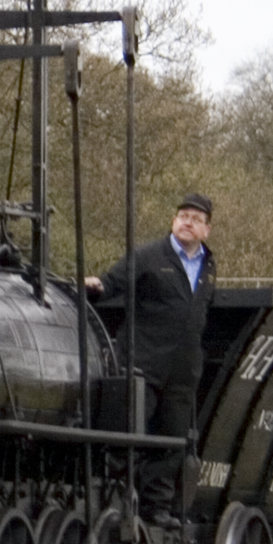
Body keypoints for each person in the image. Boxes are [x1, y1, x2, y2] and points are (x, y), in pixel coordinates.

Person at [87, 192, 216, 500]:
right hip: (142, 363)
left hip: (182, 372)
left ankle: (156, 506)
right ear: (173, 221)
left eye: (196, 219)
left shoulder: (209, 267)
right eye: (183, 216)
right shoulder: (148, 256)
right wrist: (95, 287)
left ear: (206, 230)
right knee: (128, 436)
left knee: (172, 441)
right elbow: (112, 283)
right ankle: (117, 501)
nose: (188, 223)